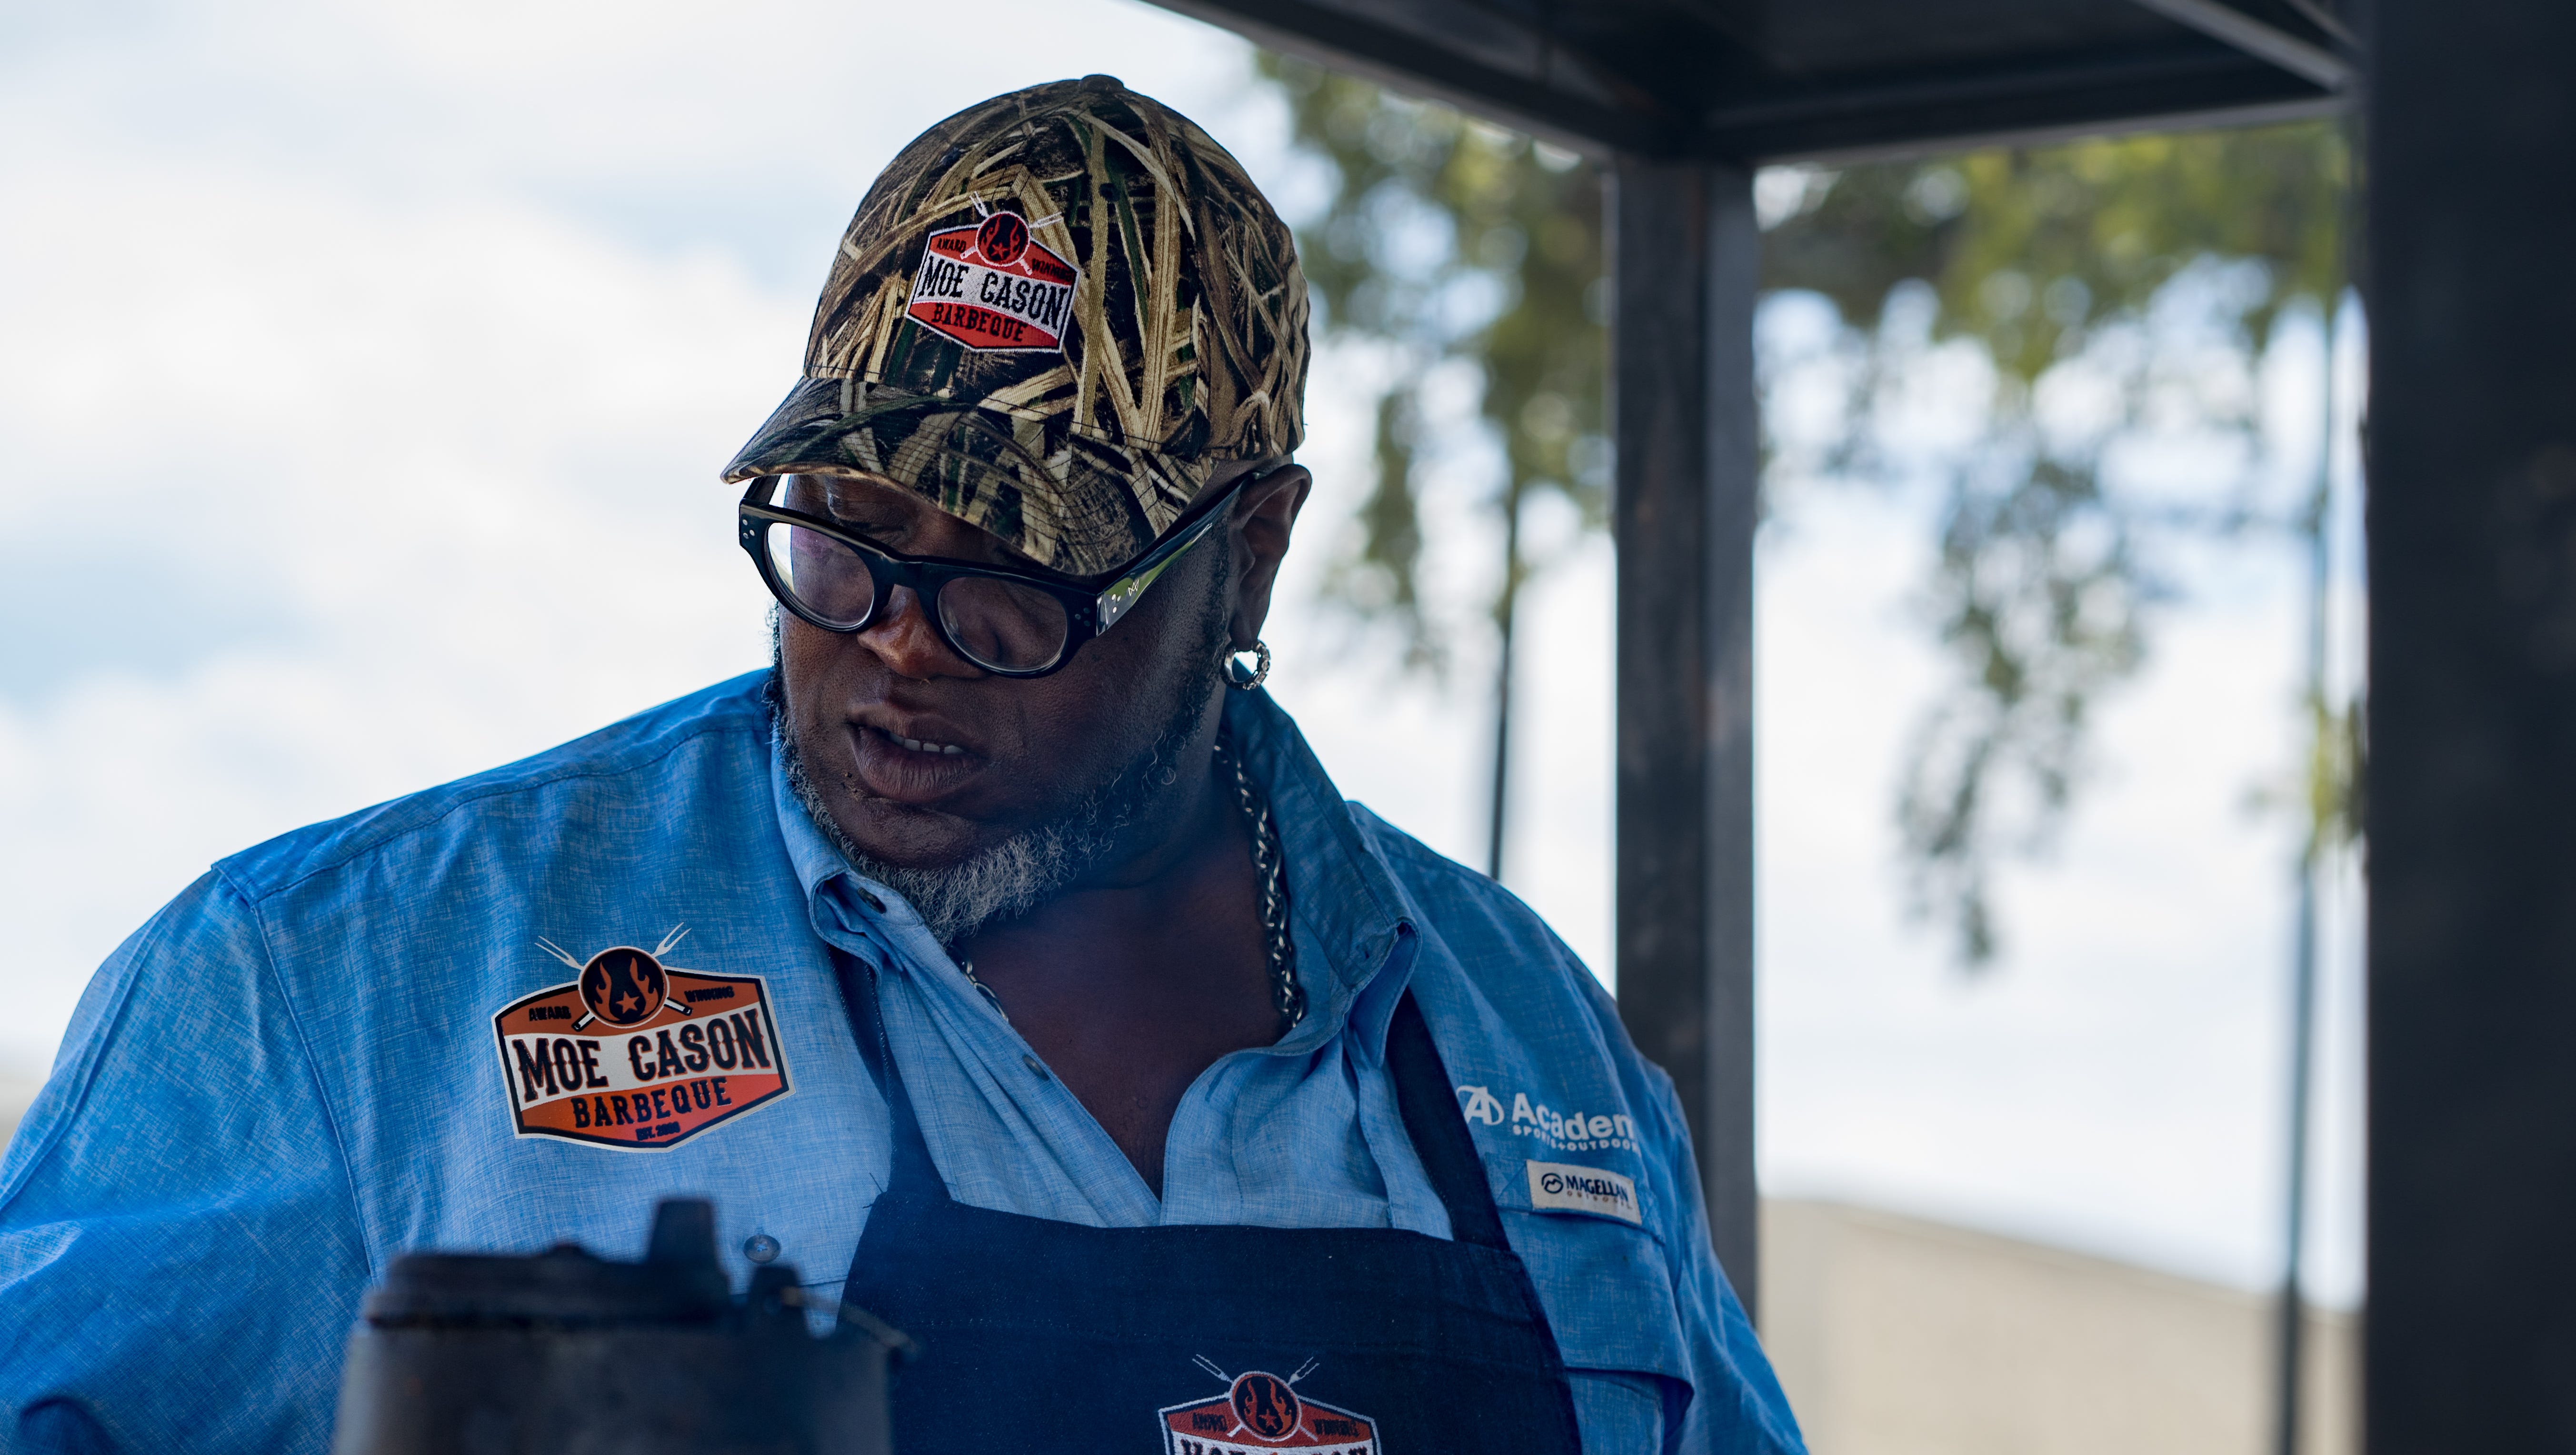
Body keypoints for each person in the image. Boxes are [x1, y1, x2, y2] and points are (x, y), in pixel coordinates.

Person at [0, 77, 1803, 1454]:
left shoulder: (1529, 1049)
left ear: (1248, 553)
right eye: (844, 541)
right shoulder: (347, 984)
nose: (899, 645)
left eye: (1014, 579)